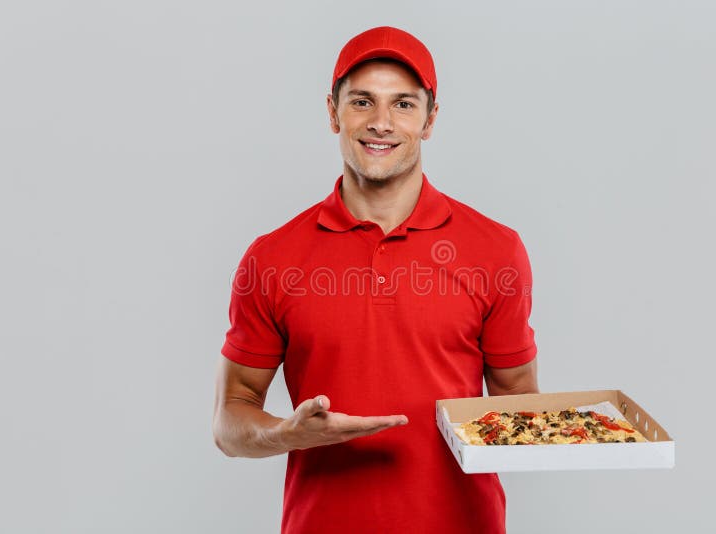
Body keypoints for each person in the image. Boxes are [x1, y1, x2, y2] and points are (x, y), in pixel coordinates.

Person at [214, 26, 538, 533]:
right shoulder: (271, 258)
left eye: (404, 105)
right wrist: (289, 432)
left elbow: (519, 405)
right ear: (332, 113)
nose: (381, 123)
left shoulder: (496, 251)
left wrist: (586, 435)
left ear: (430, 119)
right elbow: (230, 423)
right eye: (362, 101)